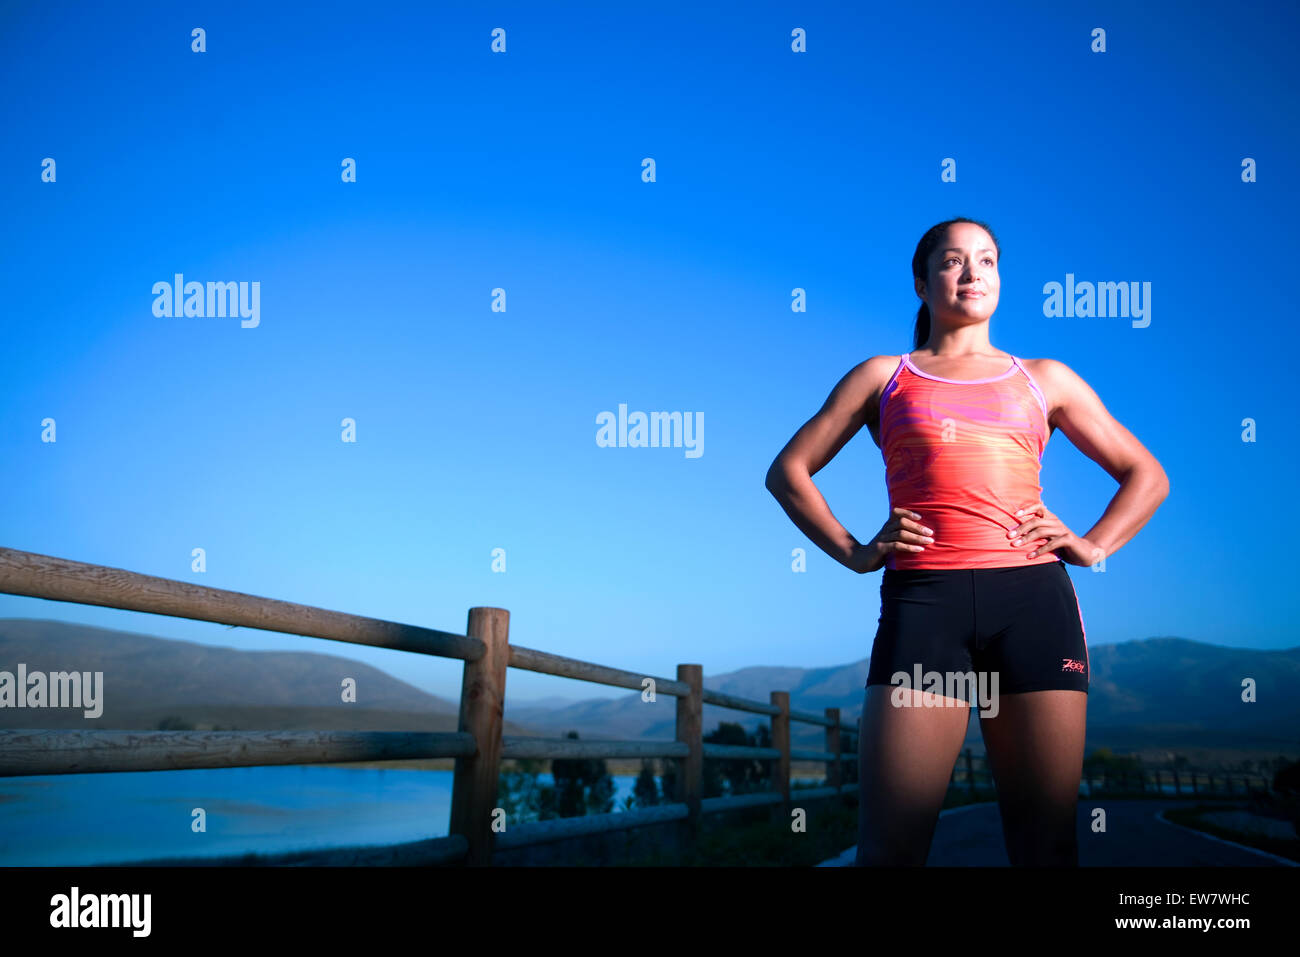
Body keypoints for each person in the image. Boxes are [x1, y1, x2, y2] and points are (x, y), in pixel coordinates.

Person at [764, 218, 1169, 866]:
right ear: (923, 282)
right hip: (925, 605)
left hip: (1034, 604)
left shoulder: (1046, 378)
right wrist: (855, 551)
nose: (972, 272)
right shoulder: (883, 375)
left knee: (1046, 850)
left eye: (986, 260)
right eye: (953, 261)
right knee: (889, 853)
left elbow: (1146, 474)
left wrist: (1093, 545)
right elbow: (788, 471)